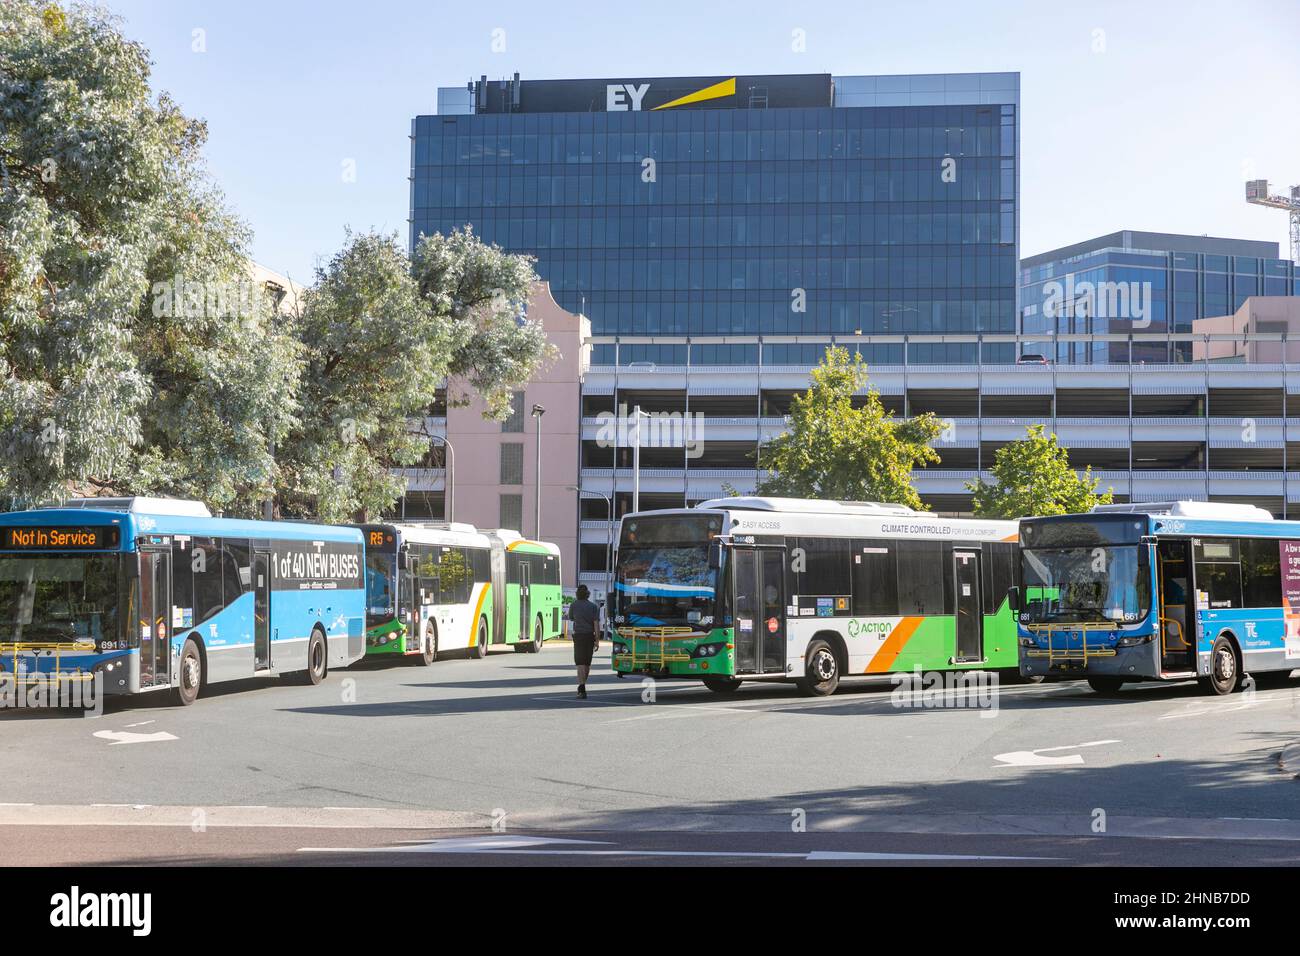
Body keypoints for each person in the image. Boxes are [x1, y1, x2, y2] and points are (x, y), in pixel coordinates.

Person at [568, 585, 600, 699]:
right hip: (589, 637)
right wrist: (597, 640)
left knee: (580, 663)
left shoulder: (573, 605)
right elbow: (596, 624)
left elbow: (571, 618)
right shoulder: (593, 607)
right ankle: (582, 686)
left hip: (579, 636)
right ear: (588, 594)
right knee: (587, 664)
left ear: (577, 594)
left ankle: (582, 687)